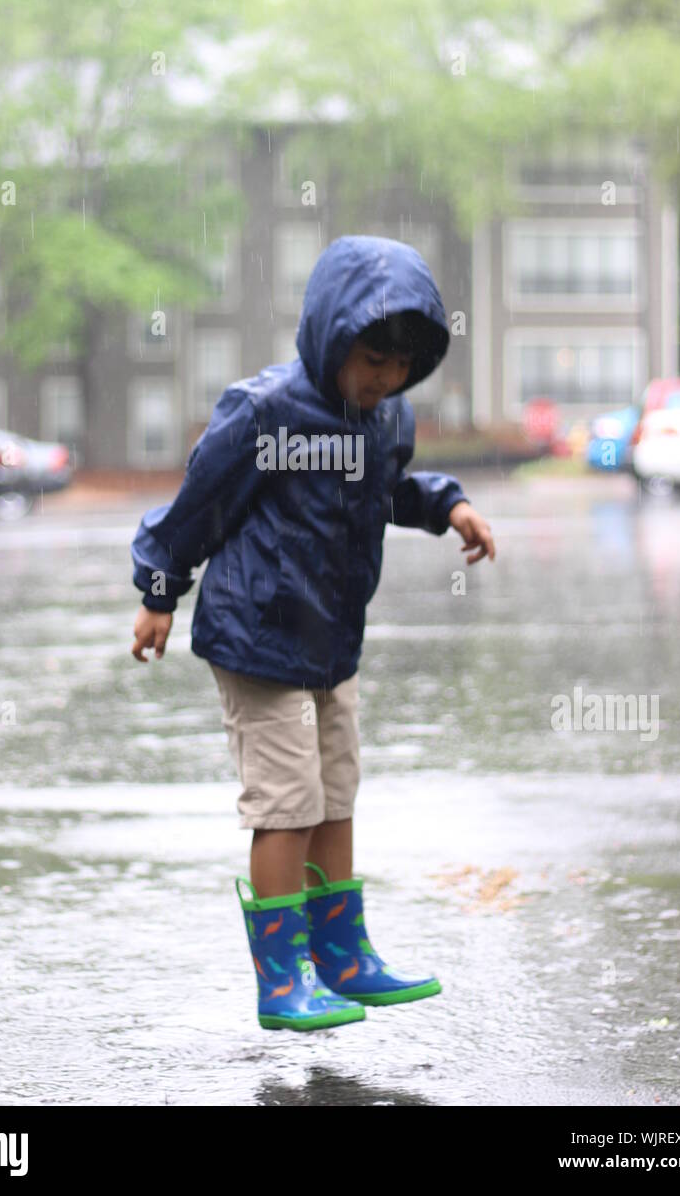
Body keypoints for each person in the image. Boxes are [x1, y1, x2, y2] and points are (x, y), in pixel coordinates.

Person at [130, 234, 496, 1032]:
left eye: (400, 367)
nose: (384, 379)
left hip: (331, 640)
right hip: (259, 637)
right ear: (332, 334)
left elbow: (388, 490)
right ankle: (283, 974)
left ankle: (343, 955)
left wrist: (444, 506)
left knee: (335, 793)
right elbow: (199, 503)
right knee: (287, 803)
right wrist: (159, 588)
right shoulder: (264, 411)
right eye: (370, 360)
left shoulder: (383, 417)